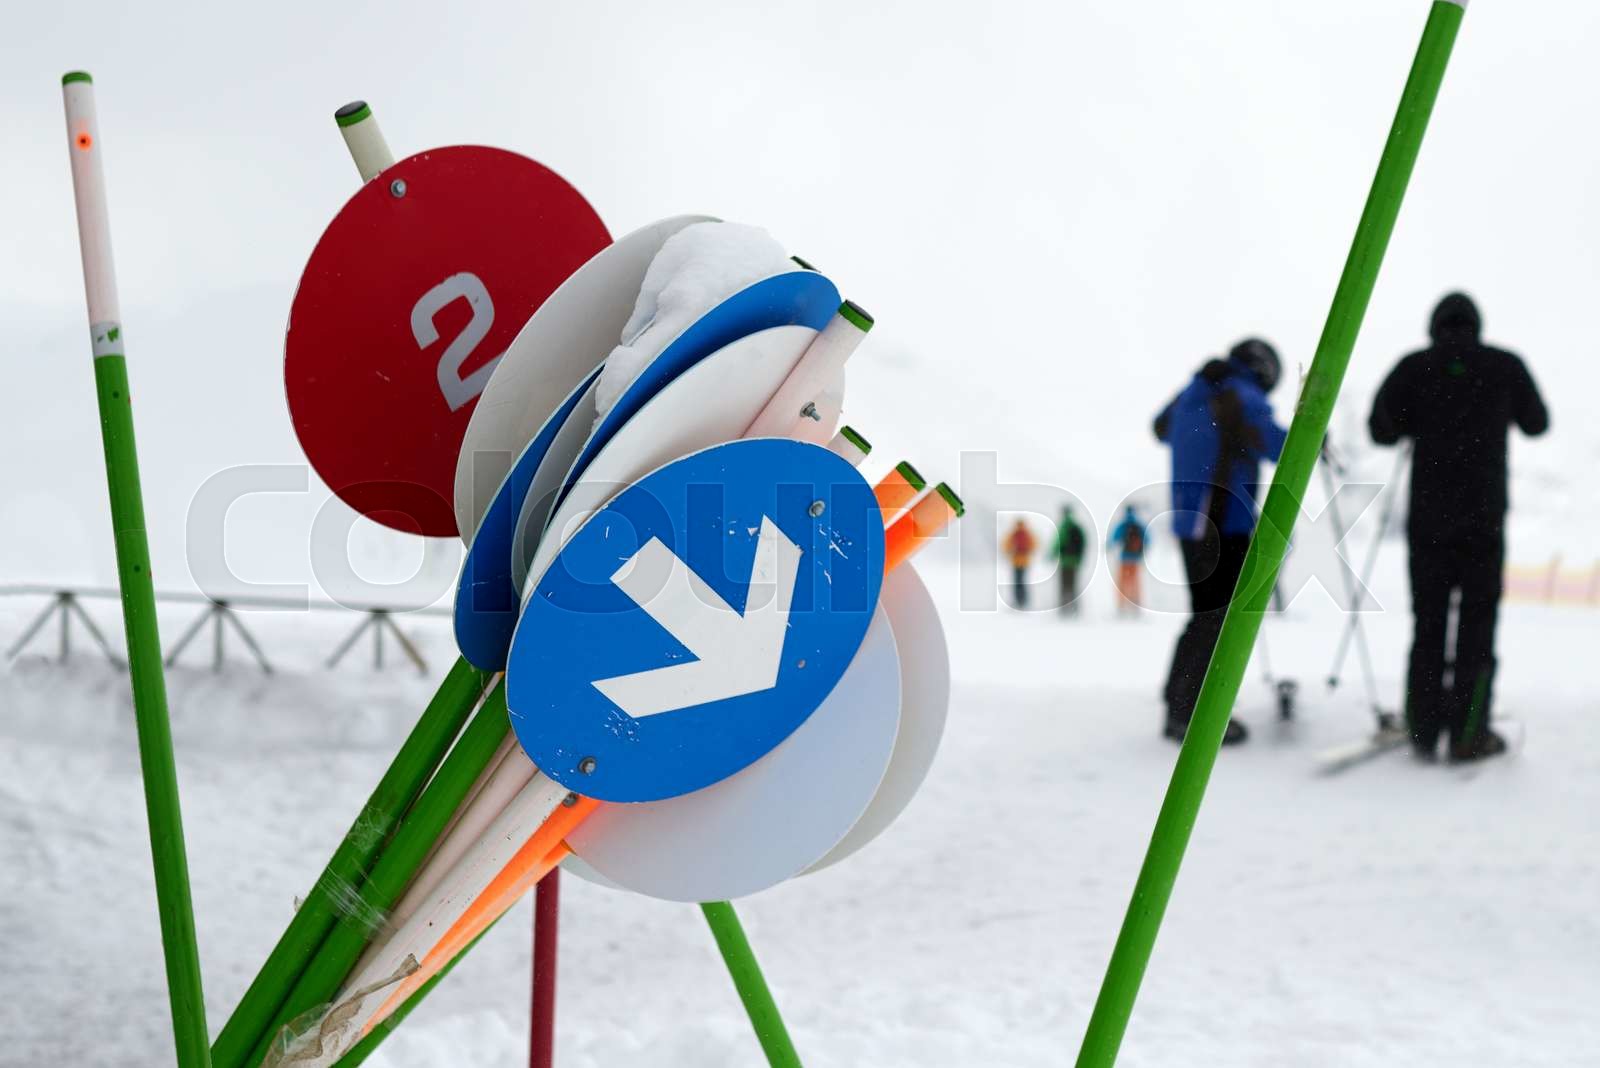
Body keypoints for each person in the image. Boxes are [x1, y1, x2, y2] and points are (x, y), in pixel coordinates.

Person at [1369, 292, 1548, 763]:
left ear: (1434, 326)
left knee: (1427, 626)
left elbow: (1380, 429)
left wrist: (1418, 416)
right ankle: (1469, 734)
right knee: (1477, 626)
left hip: (1429, 523)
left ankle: (1424, 732)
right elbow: (1537, 423)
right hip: (1483, 523)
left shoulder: (1413, 367)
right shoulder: (1504, 366)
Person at [1154, 338, 1289, 746]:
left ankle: (1179, 701)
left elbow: (1160, 428)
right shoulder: (1241, 395)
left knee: (1205, 615)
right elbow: (1277, 444)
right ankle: (1192, 713)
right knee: (1218, 619)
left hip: (1190, 521)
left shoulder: (1194, 392)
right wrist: (1315, 433)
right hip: (1223, 520)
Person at [1108, 506, 1147, 614]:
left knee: (1122, 583)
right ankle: (1135, 604)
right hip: (1135, 558)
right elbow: (1147, 539)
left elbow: (1114, 538)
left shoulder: (1122, 524)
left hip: (1124, 558)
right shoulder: (1139, 525)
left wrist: (1109, 547)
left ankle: (1122, 606)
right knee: (1135, 582)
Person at [1050, 506, 1087, 615]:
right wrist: (1080, 558)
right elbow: (1083, 543)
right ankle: (1074, 607)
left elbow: (1058, 542)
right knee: (1073, 584)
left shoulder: (1064, 526)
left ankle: (1064, 607)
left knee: (1064, 584)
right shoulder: (1077, 526)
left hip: (1065, 560)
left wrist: (1052, 554)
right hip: (1075, 561)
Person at [1003, 518, 1037, 609]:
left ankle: (1018, 601)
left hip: (1016, 561)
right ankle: (1023, 601)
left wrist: (1011, 551)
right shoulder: (1027, 534)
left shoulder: (1014, 534)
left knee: (1017, 582)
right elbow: (1034, 545)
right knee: (1022, 581)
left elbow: (1006, 546)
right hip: (1024, 561)